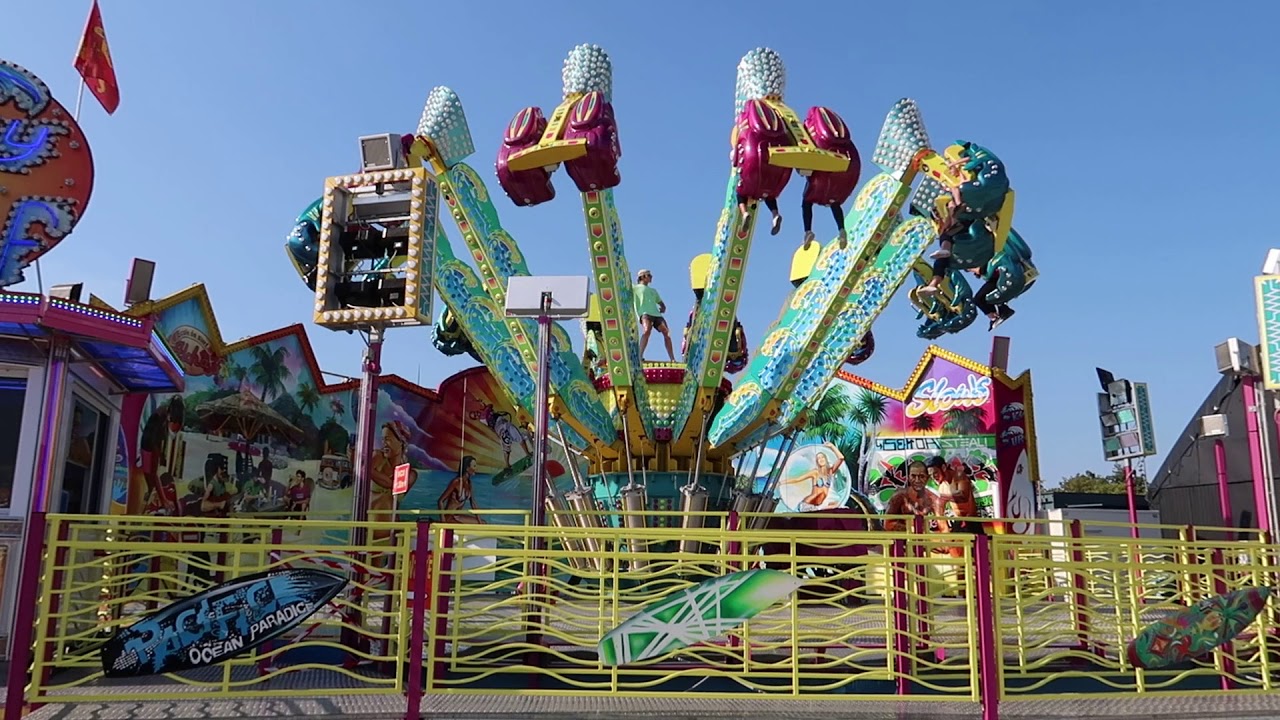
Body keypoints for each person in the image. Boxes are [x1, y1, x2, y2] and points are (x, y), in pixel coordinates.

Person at [918, 142, 1010, 297]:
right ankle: (933, 284)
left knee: (948, 227)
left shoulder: (977, 161)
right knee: (943, 250)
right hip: (963, 235)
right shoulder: (965, 193)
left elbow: (966, 166)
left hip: (969, 226)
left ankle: (944, 254)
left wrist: (954, 165)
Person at [779, 443, 844, 511]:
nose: (821, 459)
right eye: (818, 458)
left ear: (825, 459)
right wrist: (780, 483)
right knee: (835, 506)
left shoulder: (830, 472)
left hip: (817, 506)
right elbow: (797, 479)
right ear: (817, 462)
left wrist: (832, 446)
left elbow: (841, 458)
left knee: (837, 504)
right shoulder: (815, 472)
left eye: (822, 457)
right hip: (807, 505)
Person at [633, 269, 675, 361]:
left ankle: (672, 358)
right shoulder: (635, 288)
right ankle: (639, 356)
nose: (651, 277)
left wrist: (663, 307)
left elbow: (661, 303)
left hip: (656, 314)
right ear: (643, 277)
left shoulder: (653, 291)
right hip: (645, 313)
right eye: (649, 276)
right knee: (646, 331)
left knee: (666, 332)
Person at [884, 461, 932, 531]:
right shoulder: (899, 497)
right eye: (913, 476)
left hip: (925, 539)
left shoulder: (932, 498)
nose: (917, 480)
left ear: (927, 478)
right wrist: (911, 529)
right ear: (908, 477)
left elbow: (943, 526)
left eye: (921, 476)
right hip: (902, 539)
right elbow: (887, 524)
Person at [437, 456, 484, 524]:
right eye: (474, 466)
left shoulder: (469, 483)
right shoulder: (456, 482)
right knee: (464, 527)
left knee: (484, 523)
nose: (476, 468)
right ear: (467, 468)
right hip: (449, 517)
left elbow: (473, 503)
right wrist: (443, 521)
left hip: (457, 516)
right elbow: (440, 501)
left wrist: (480, 522)